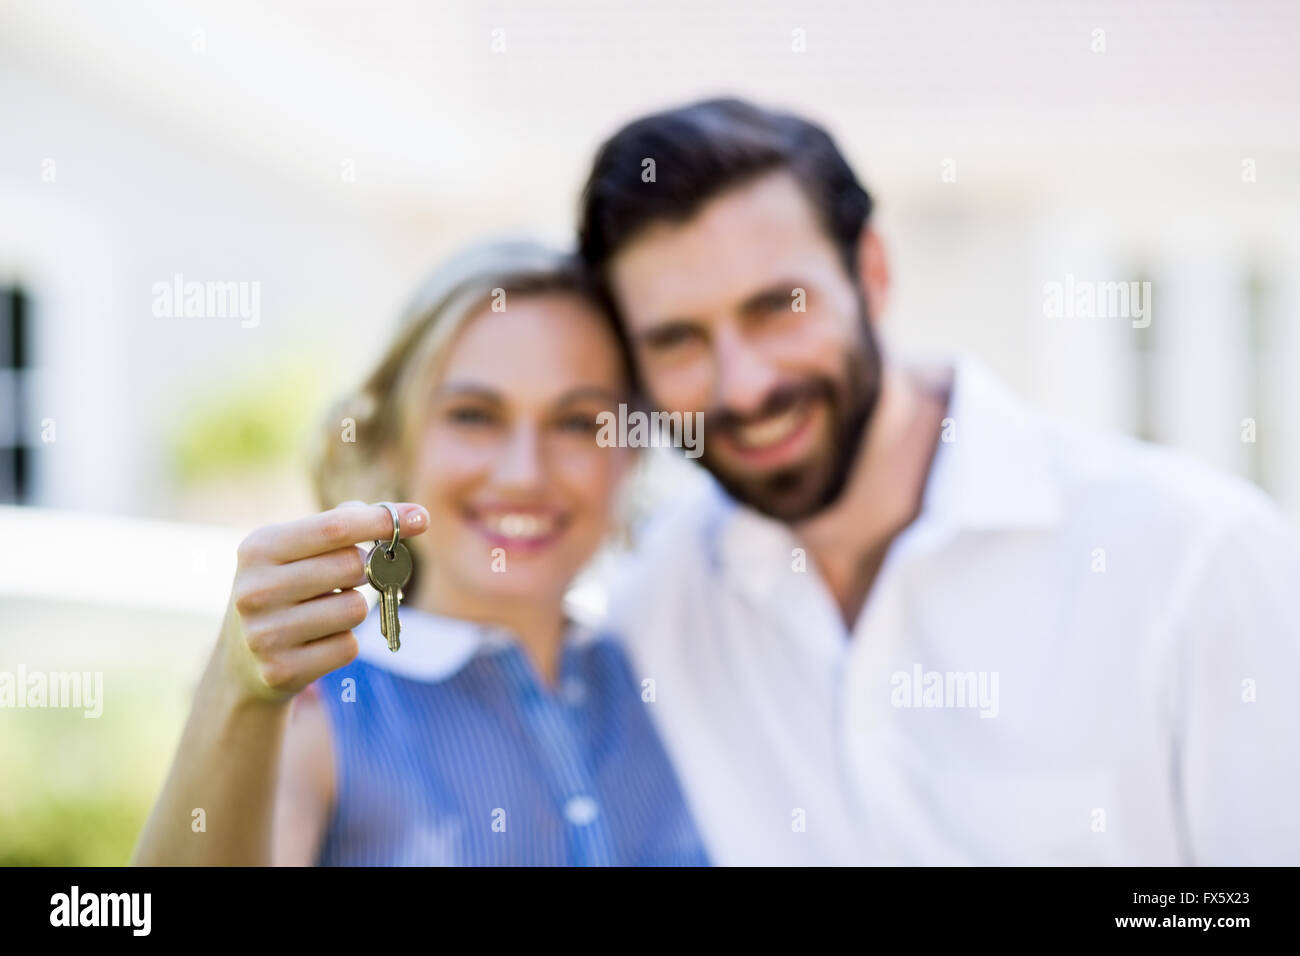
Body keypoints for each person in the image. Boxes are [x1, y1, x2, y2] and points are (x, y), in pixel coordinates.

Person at [577, 97, 1300, 865]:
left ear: (873, 275)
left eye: (776, 310)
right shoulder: (657, 604)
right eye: (677, 340)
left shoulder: (1201, 559)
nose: (743, 386)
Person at [131, 240, 709, 866]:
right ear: (390, 445)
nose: (523, 474)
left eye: (575, 423)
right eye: (474, 415)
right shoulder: (319, 709)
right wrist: (237, 699)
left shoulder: (667, 676)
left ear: (629, 453)